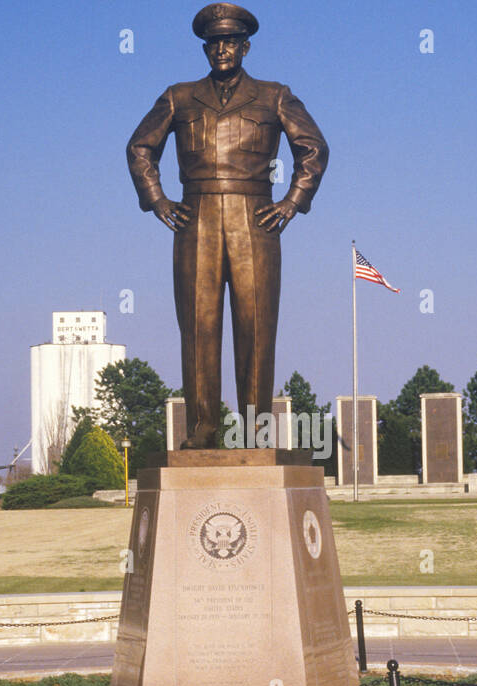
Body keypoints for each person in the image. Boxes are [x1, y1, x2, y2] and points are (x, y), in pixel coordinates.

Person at [127, 3, 328, 449]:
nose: (222, 49)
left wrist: (293, 201)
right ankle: (203, 429)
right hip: (194, 217)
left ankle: (256, 430)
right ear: (205, 48)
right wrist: (156, 198)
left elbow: (313, 148)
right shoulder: (178, 97)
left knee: (255, 327)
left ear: (245, 46)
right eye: (214, 43)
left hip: (255, 219)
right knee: (199, 328)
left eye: (230, 42)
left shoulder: (274, 96)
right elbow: (140, 147)